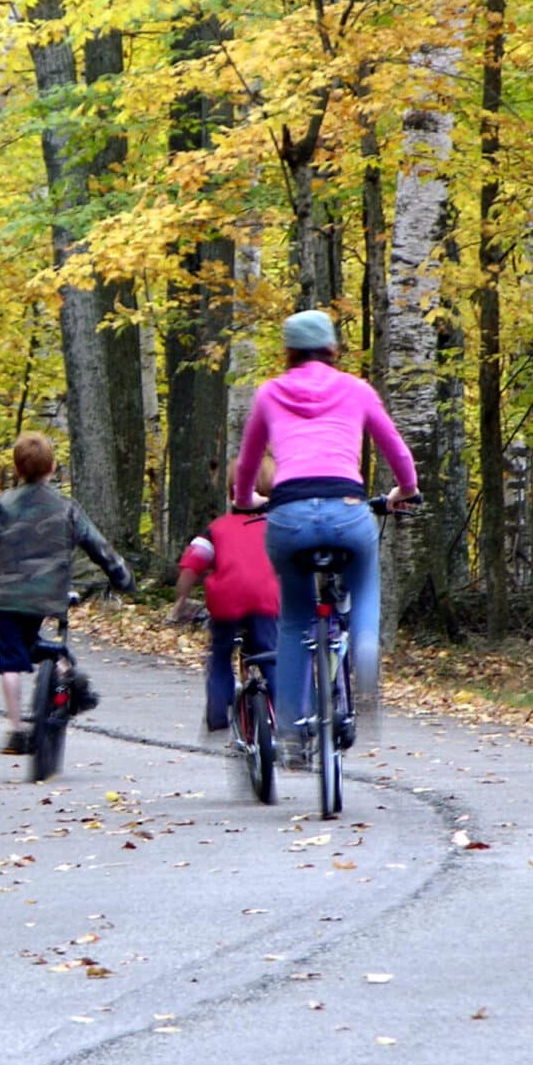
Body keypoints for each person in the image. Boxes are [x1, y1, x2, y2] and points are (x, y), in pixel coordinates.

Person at [232, 310, 417, 748]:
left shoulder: (269, 394)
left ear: (289, 349)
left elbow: (248, 464)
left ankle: (293, 729)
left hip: (289, 514)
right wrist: (404, 491)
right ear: (332, 346)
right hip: (347, 508)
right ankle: (366, 650)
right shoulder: (356, 389)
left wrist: (245, 501)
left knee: (295, 620)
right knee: (364, 576)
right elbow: (400, 455)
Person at [0, 431, 134, 755]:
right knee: (46, 645)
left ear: (18, 470)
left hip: (8, 593)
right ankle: (68, 678)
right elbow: (98, 547)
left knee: (11, 659)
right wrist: (122, 577)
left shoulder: (3, 504)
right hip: (50, 595)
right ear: (52, 468)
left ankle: (16, 728)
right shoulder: (67, 508)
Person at [170, 458, 280, 735]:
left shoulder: (217, 529)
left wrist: (180, 601)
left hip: (226, 602)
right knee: (270, 656)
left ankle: (218, 714)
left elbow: (192, 564)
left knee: (220, 654)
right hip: (265, 600)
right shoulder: (278, 528)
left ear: (232, 493)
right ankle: (284, 711)